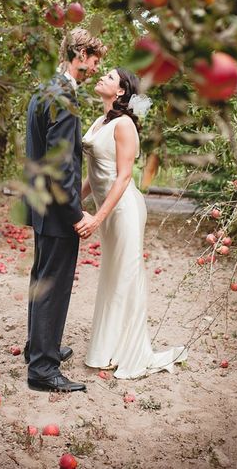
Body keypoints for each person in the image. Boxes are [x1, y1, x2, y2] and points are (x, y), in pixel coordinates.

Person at [75, 67, 187, 379]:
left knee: (125, 277)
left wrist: (97, 217)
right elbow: (95, 174)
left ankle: (123, 351)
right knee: (112, 275)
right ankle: (106, 349)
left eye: (109, 77)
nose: (101, 78)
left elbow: (124, 176)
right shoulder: (101, 121)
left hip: (123, 210)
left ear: (122, 91)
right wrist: (75, 201)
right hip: (107, 209)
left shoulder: (124, 125)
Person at [24, 27, 107, 392]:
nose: (95, 67)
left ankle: (38, 348)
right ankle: (43, 369)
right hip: (58, 212)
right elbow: (60, 165)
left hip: (42, 206)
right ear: (80, 54)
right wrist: (77, 215)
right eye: (94, 59)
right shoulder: (64, 97)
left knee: (42, 280)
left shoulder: (46, 89)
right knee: (54, 286)